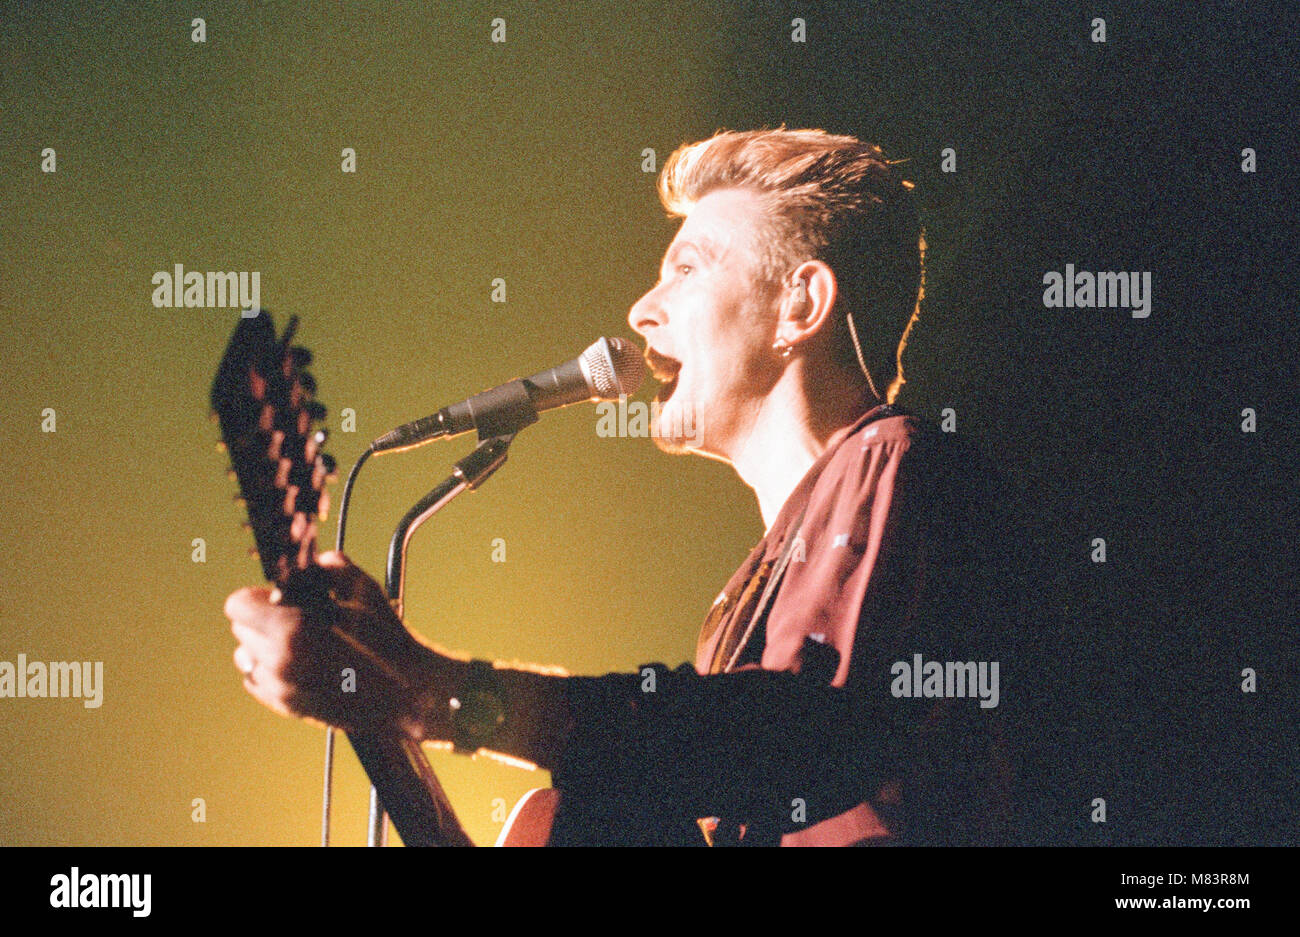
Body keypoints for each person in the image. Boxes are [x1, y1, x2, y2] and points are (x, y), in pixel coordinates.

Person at [225, 127, 1053, 846]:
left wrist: (430, 692)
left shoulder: (897, 457)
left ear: (801, 304)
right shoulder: (737, 610)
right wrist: (383, 698)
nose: (642, 309)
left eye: (686, 268)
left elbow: (801, 735)